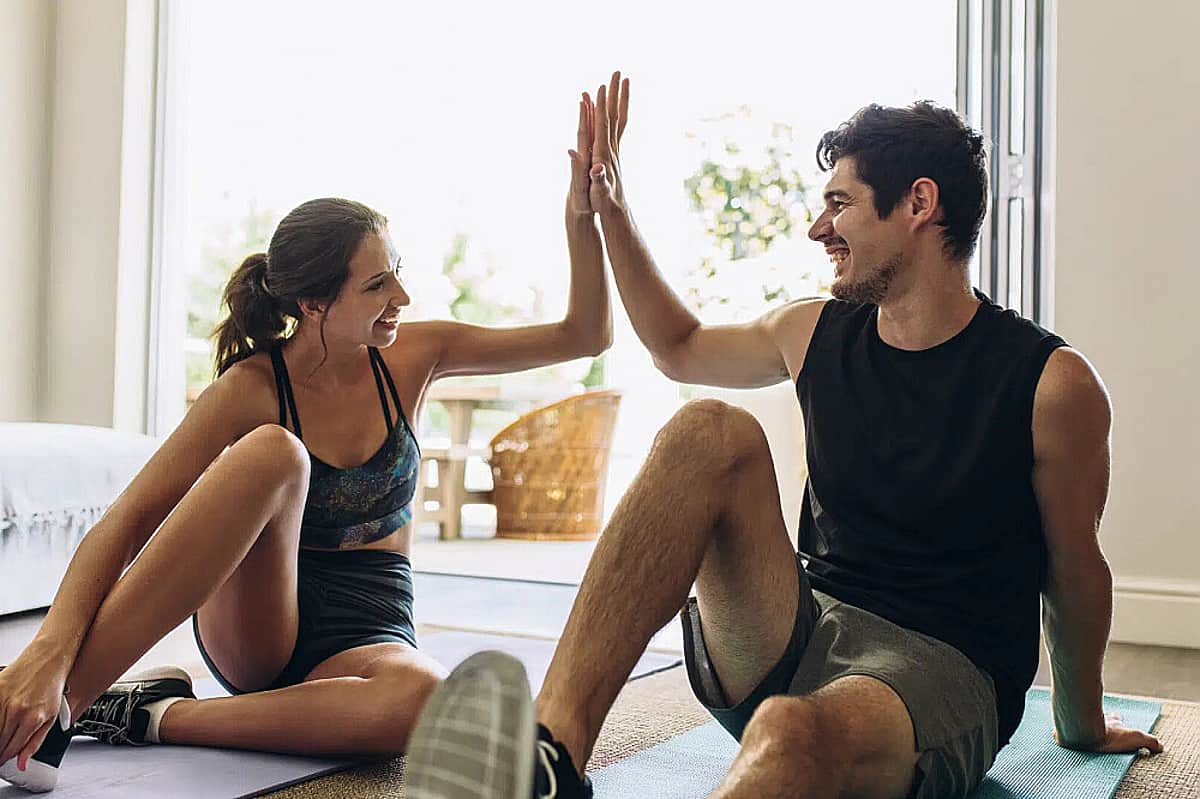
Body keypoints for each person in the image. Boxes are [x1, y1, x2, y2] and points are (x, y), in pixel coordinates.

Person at [402, 72, 1164, 799]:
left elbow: (1074, 567)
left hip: (941, 670)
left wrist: (1081, 721)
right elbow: (678, 346)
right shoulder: (813, 331)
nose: (816, 227)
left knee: (789, 732)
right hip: (795, 624)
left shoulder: (1050, 382)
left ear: (919, 204)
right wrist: (612, 209)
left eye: (840, 204)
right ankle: (550, 756)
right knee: (709, 427)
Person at [0, 97, 610, 793]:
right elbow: (129, 519)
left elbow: (584, 335)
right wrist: (48, 650)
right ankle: (56, 709)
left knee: (424, 702)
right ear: (315, 304)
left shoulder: (417, 356)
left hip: (372, 621)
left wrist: (582, 216)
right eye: (378, 283)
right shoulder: (253, 387)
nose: (402, 295)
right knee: (275, 453)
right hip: (262, 622)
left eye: (398, 272)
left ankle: (148, 715)